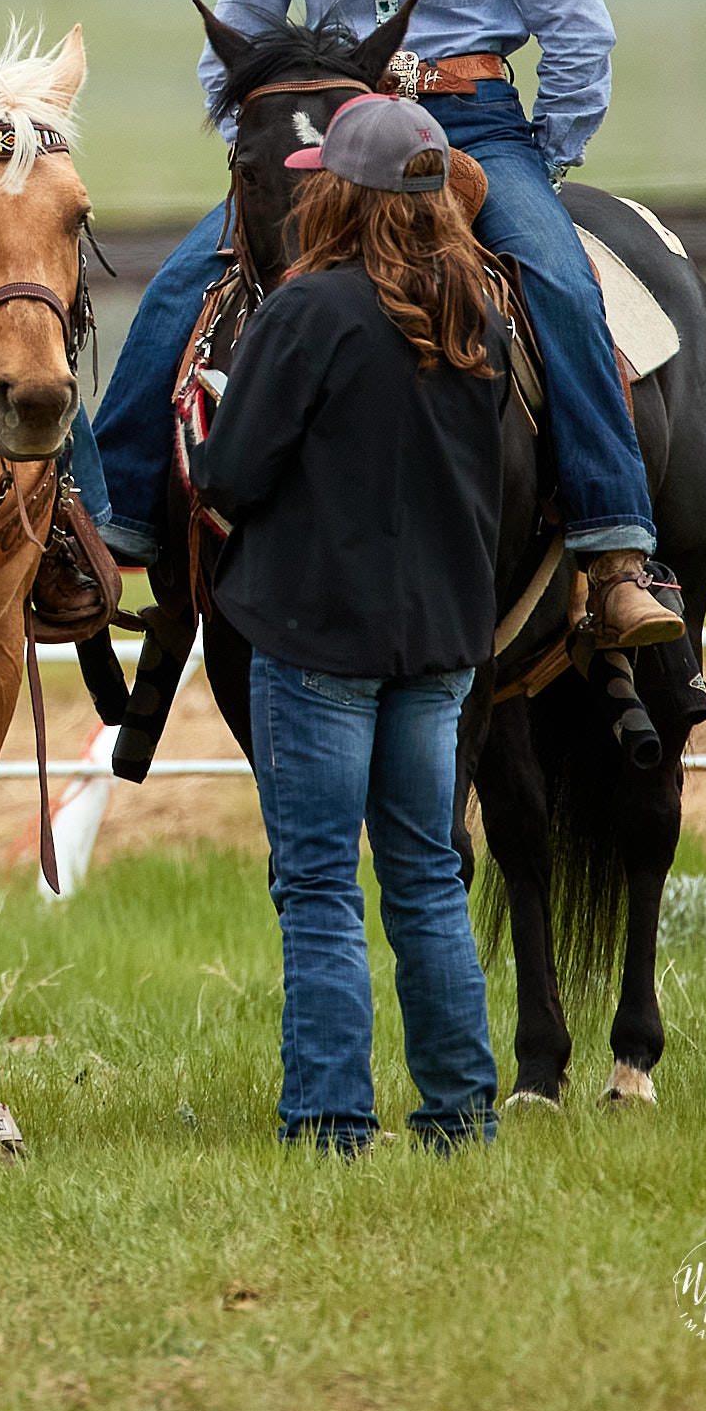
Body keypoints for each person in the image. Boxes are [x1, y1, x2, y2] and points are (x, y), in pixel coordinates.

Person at [91, 0, 677, 649]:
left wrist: (545, 150)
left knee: (552, 275)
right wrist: (266, 155)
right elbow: (229, 40)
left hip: (473, 124)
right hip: (326, 140)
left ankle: (613, 549)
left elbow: (577, 26)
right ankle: (111, 532)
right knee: (180, 287)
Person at [193, 90, 505, 1153]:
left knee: (319, 883)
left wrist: (204, 433)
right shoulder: (482, 311)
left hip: (316, 638)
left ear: (338, 192)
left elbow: (229, 478)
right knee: (425, 876)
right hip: (441, 646)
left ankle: (329, 1121)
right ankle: (460, 1117)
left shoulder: (304, 312)